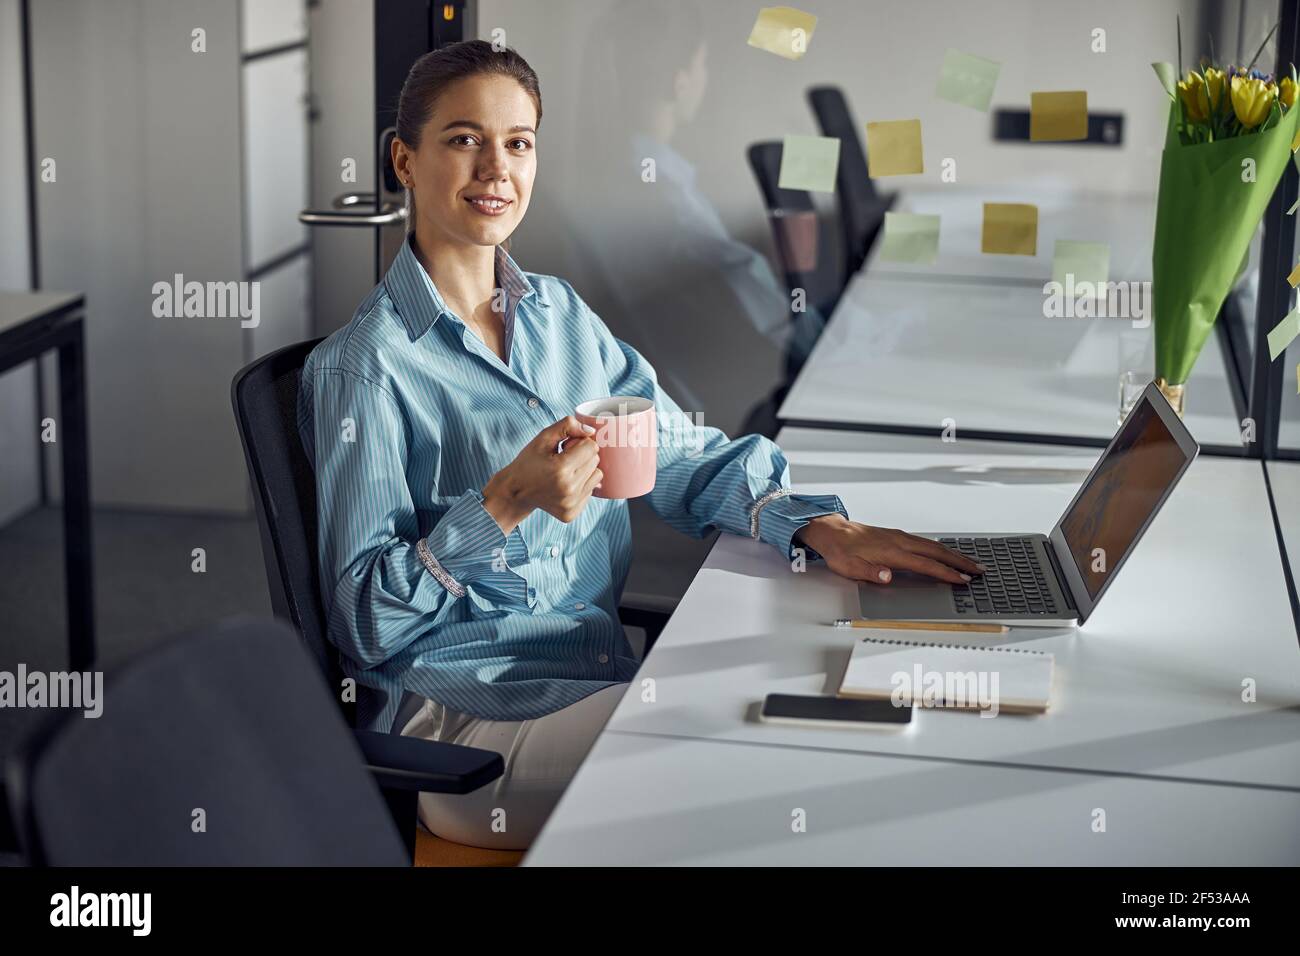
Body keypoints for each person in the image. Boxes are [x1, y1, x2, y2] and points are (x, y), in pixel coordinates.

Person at [298, 40, 980, 850]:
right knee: (770, 761)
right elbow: (364, 621)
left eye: (517, 142)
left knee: (816, 708)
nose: (495, 168)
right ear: (404, 160)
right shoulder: (364, 370)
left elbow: (679, 450)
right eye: (463, 139)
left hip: (597, 678)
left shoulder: (558, 316)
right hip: (469, 729)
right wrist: (503, 504)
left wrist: (815, 526)